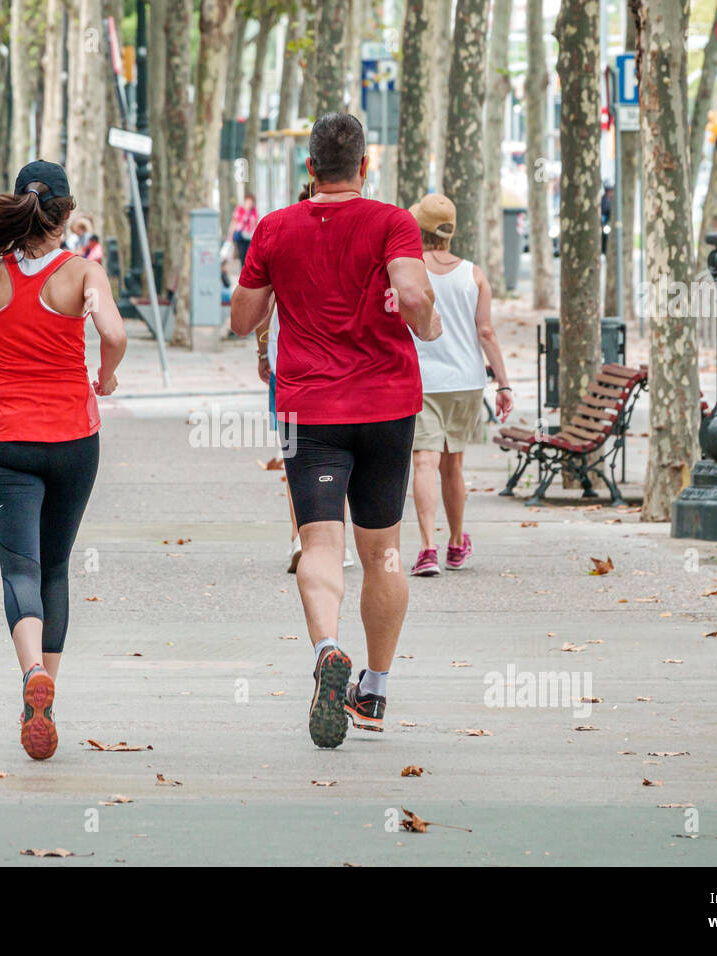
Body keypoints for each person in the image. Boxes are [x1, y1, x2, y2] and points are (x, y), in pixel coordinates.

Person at [230, 113, 440, 748]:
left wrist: (277, 287)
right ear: (365, 167)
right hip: (387, 406)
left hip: (309, 411)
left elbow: (243, 318)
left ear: (310, 169)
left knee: (320, 544)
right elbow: (416, 298)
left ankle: (327, 649)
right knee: (384, 553)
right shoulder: (392, 221)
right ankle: (374, 686)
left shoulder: (274, 228)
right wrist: (416, 318)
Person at [0, 161, 126, 761]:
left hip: (8, 445)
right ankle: (48, 689)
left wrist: (6, 342)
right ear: (67, 213)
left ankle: (28, 679)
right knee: (57, 567)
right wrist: (106, 371)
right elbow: (114, 334)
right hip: (75, 441)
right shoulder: (82, 273)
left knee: (20, 567)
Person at [406, 193, 513, 577]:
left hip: (420, 379)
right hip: (466, 382)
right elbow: (486, 331)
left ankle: (426, 549)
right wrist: (503, 385)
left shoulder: (409, 269)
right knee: (453, 466)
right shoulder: (474, 274)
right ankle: (455, 543)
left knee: (423, 460)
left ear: (418, 228)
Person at [255, 181, 354, 575]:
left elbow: (261, 307)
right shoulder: (349, 241)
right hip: (342, 369)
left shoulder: (282, 237)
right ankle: (336, 544)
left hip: (290, 367)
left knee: (298, 456)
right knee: (342, 458)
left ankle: (301, 537)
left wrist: (263, 352)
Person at [229, 193, 259, 265]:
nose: (250, 203)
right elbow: (234, 222)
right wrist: (230, 235)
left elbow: (256, 223)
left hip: (250, 236)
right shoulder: (239, 209)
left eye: (251, 202)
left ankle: (248, 272)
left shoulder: (254, 211)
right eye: (248, 201)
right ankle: (243, 271)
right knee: (242, 255)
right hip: (241, 235)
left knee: (250, 255)